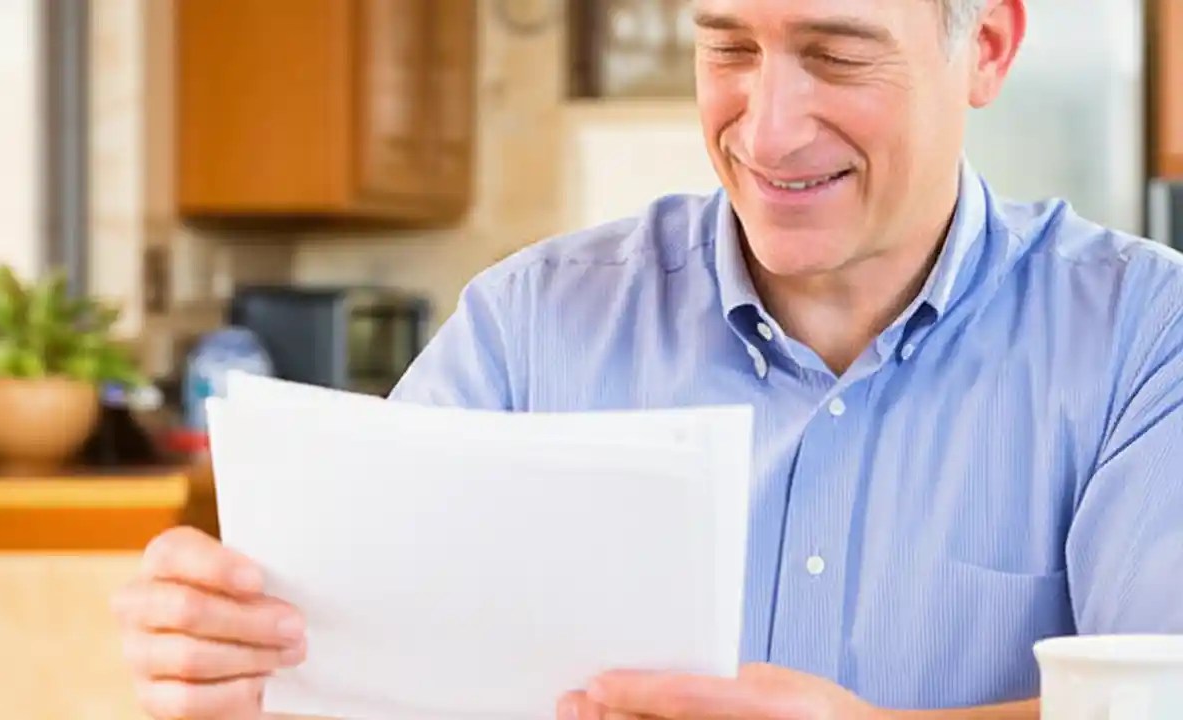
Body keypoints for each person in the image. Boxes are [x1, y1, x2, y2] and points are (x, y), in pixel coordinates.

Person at [111, 0, 1183, 717]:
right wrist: (238, 659)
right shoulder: (528, 326)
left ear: (986, 46)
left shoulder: (1143, 333)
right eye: (726, 48)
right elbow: (367, 679)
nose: (765, 131)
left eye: (835, 55)